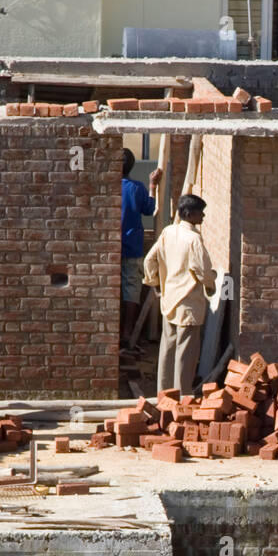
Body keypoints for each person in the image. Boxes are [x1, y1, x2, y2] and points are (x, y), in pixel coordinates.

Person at [144, 193, 217, 394]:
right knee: (186, 354)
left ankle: (164, 396)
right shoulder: (194, 239)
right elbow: (203, 270)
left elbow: (149, 260)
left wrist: (154, 282)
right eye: (200, 212)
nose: (203, 216)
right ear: (189, 214)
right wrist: (211, 285)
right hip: (189, 305)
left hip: (169, 302)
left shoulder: (168, 232)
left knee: (168, 350)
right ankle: (183, 398)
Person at [120, 148, 163, 346]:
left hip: (108, 249)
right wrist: (153, 185)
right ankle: (127, 333)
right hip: (132, 246)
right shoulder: (136, 188)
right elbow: (148, 210)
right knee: (131, 290)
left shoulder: (106, 186)